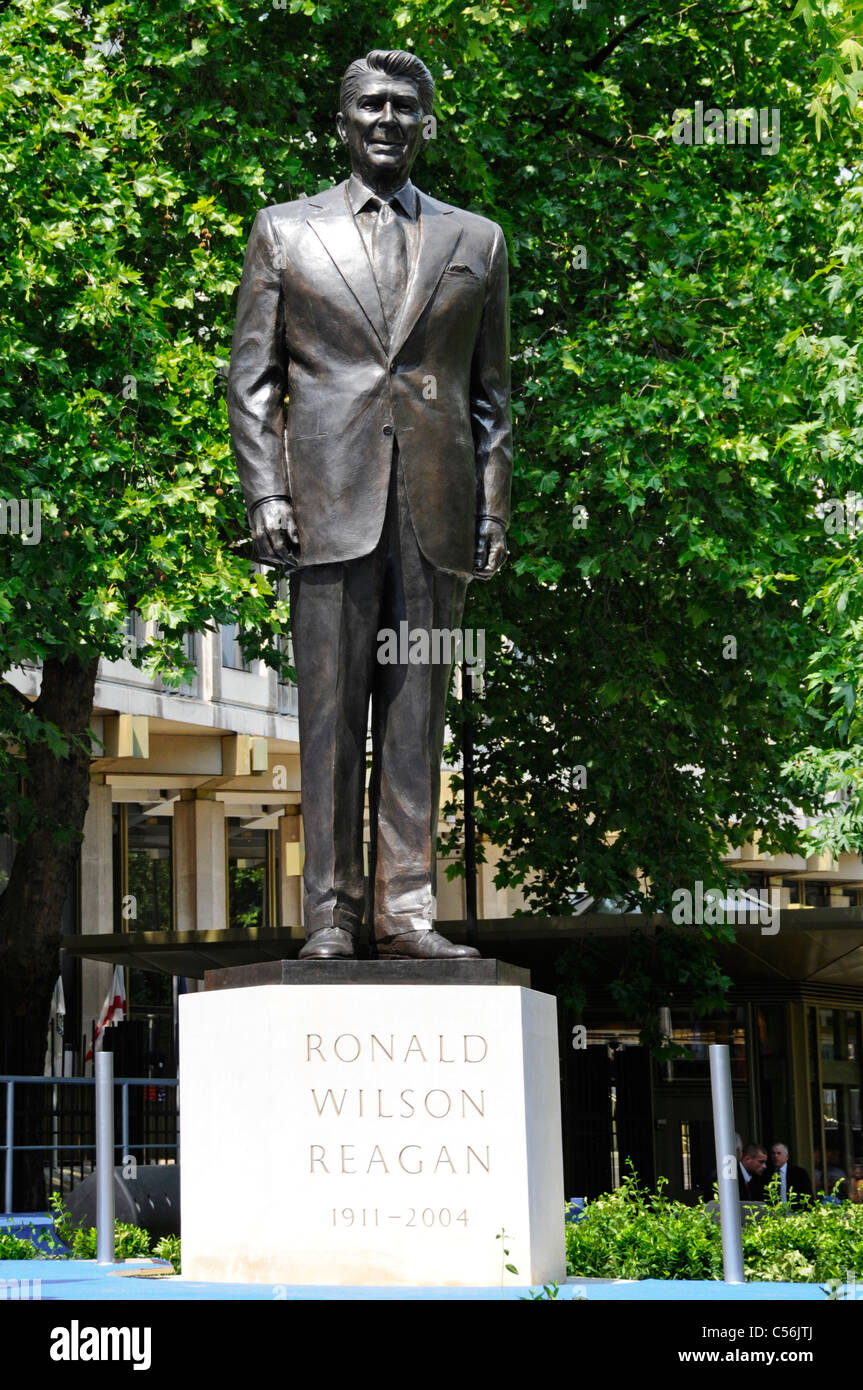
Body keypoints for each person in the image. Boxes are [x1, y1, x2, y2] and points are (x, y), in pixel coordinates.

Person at [227, 50, 512, 960]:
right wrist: (265, 493)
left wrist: (492, 512)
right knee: (328, 713)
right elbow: (252, 382)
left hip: (436, 511)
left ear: (427, 122)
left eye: (405, 106)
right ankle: (329, 916)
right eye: (371, 106)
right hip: (325, 506)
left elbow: (491, 398)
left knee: (415, 713)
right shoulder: (284, 231)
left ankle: (408, 910)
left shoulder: (478, 241)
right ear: (344, 123)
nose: (388, 119)